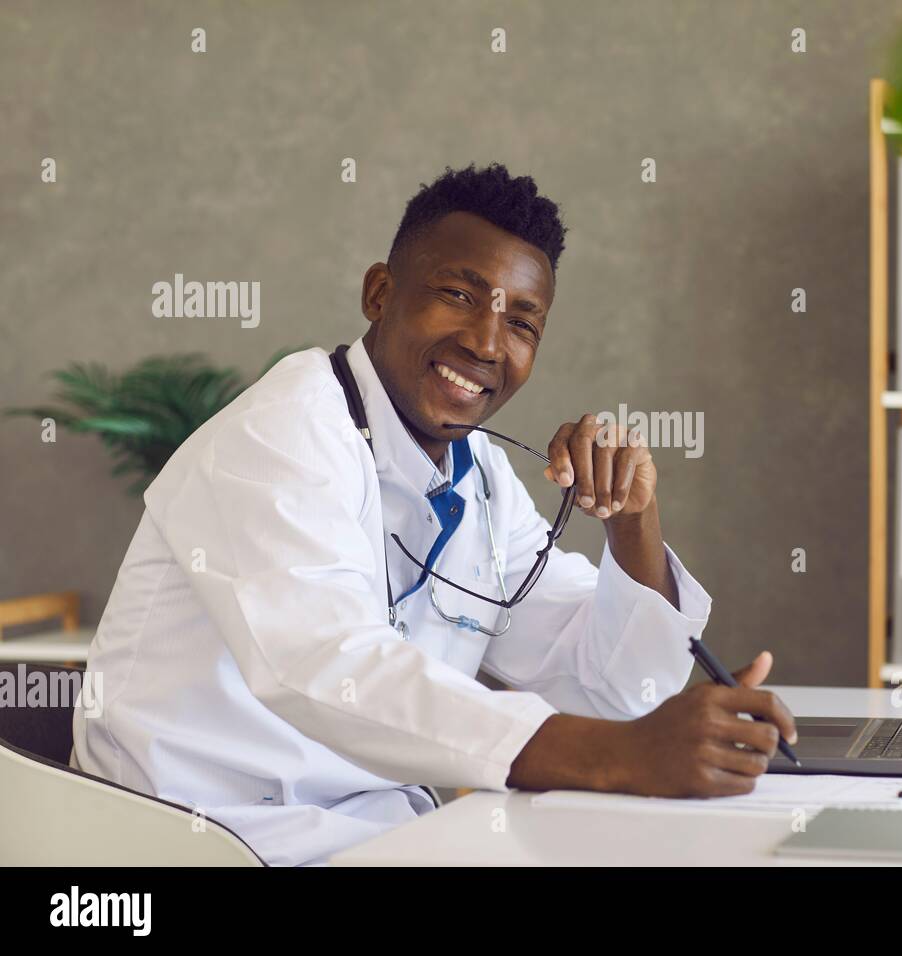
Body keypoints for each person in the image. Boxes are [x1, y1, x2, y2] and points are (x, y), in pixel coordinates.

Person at [73, 162, 796, 866]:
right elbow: (326, 667)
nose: (486, 342)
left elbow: (612, 691)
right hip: (206, 837)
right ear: (380, 294)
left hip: (372, 835)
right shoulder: (284, 429)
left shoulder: (477, 473)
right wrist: (623, 757)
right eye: (458, 293)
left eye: (522, 322)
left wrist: (631, 520)